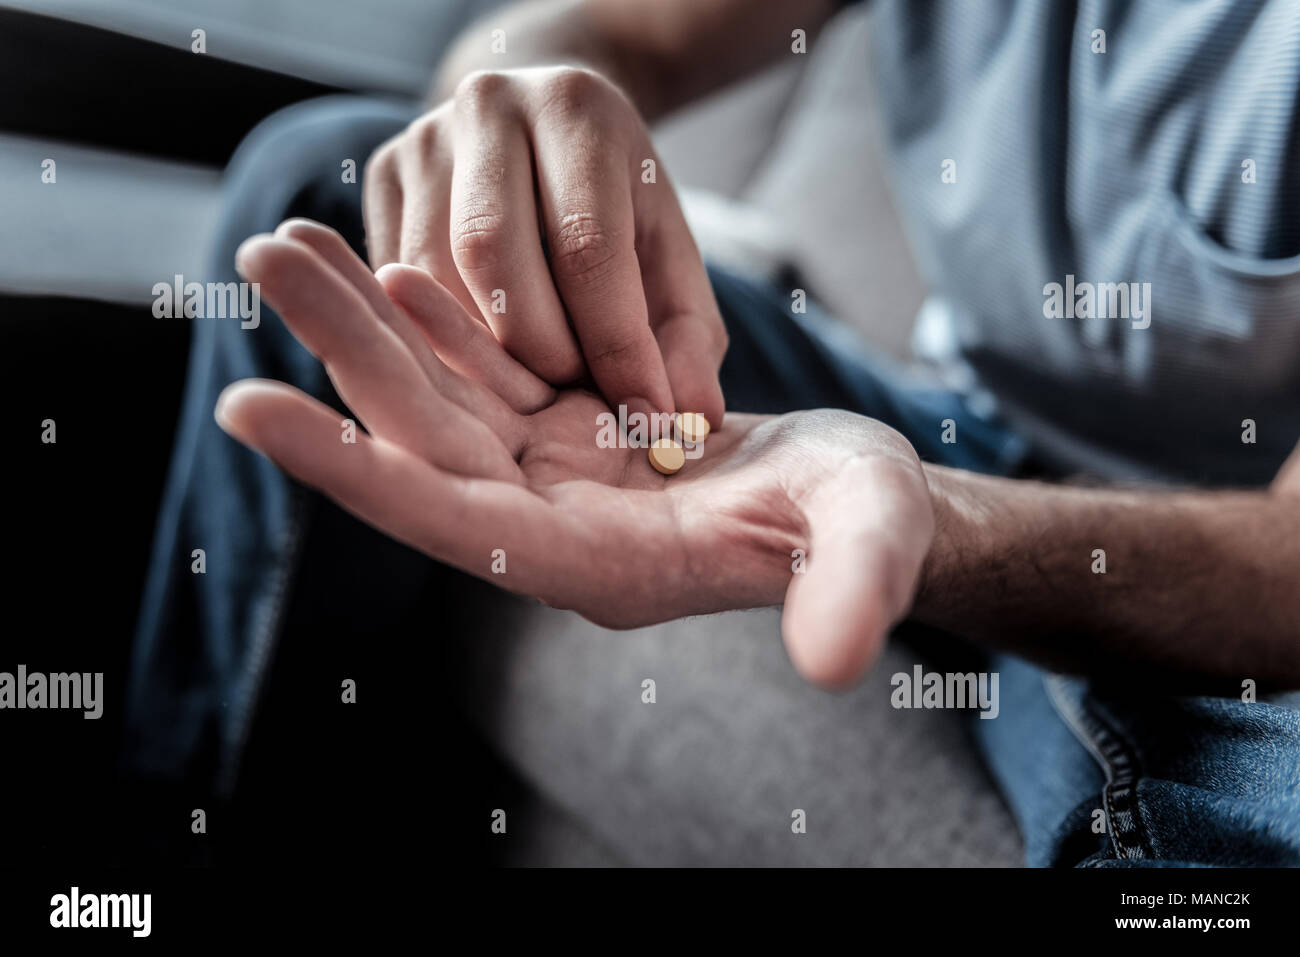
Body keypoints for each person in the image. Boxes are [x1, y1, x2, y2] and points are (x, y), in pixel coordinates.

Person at [125, 0, 1300, 866]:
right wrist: (521, 99)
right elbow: (605, 32)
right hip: (959, 414)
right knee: (320, 186)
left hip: (1222, 538)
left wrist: (937, 525)